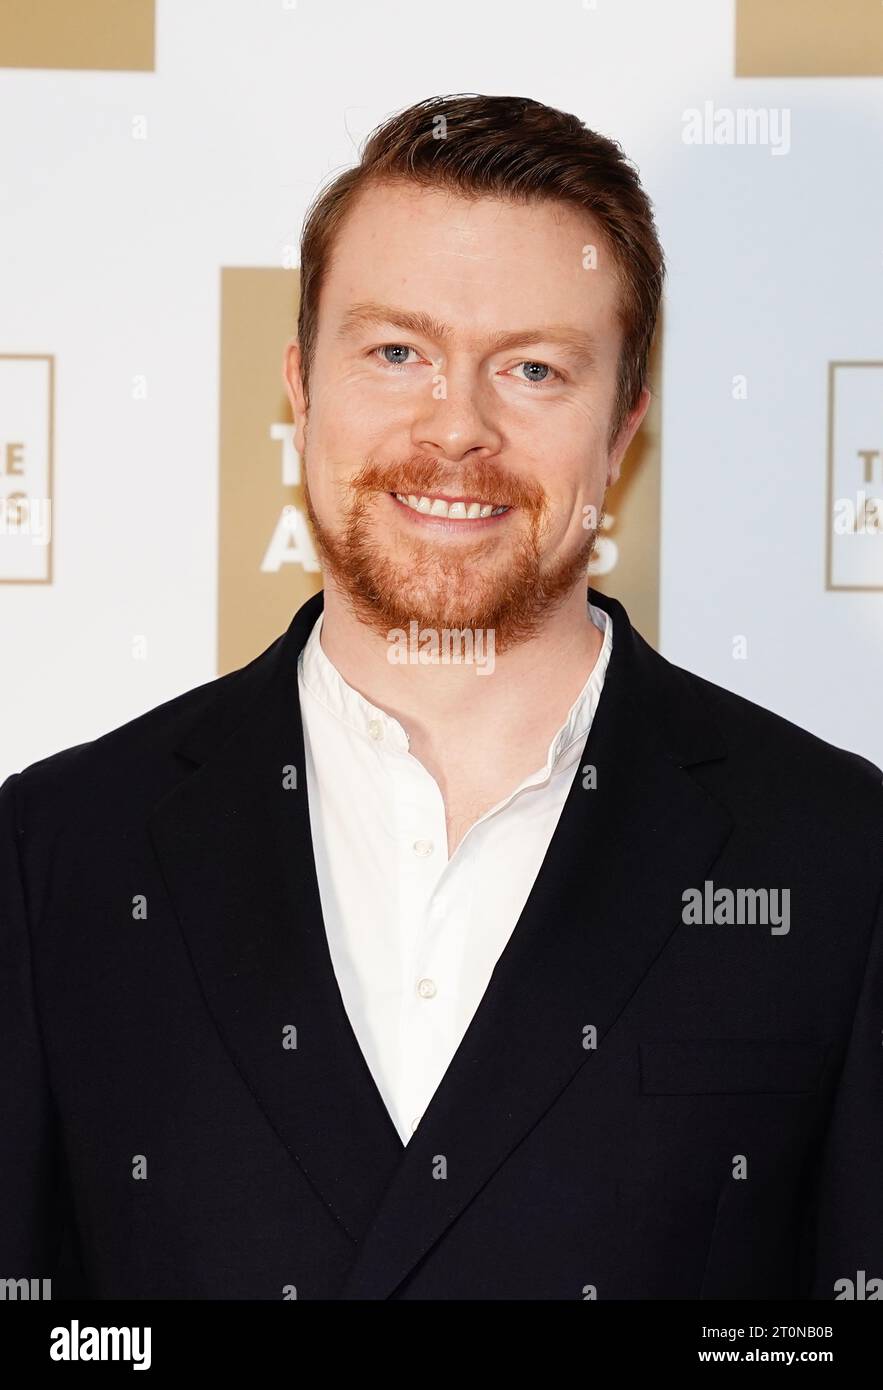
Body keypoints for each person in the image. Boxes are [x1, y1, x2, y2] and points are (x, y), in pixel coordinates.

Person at [2, 94, 881, 1300]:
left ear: (623, 426)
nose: (456, 427)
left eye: (533, 368)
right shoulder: (60, 854)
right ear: (301, 386)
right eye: (396, 353)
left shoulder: (837, 859)